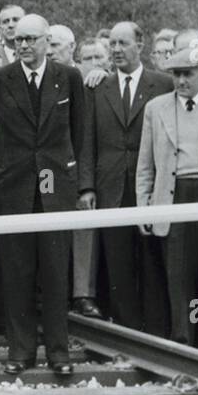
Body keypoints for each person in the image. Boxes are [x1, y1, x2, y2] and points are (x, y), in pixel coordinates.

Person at [0, 14, 87, 376]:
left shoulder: (68, 78)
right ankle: (20, 350)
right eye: (18, 40)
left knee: (56, 272)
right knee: (17, 271)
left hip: (54, 187)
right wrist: (2, 178)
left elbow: (79, 134)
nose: (23, 46)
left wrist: (71, 180)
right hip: (14, 189)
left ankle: (58, 352)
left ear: (46, 41)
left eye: (31, 40)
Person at [77, 23, 173, 334]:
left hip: (150, 185)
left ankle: (155, 331)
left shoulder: (164, 84)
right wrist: (87, 186)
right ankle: (126, 331)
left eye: (123, 43)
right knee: (117, 262)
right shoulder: (97, 87)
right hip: (110, 186)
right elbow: (87, 140)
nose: (116, 49)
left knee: (151, 259)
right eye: (113, 44)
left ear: (140, 45)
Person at [136, 37, 198, 354]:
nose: (182, 81)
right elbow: (145, 165)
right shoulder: (156, 108)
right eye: (176, 75)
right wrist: (144, 208)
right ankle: (184, 342)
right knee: (180, 274)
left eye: (188, 73)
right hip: (173, 198)